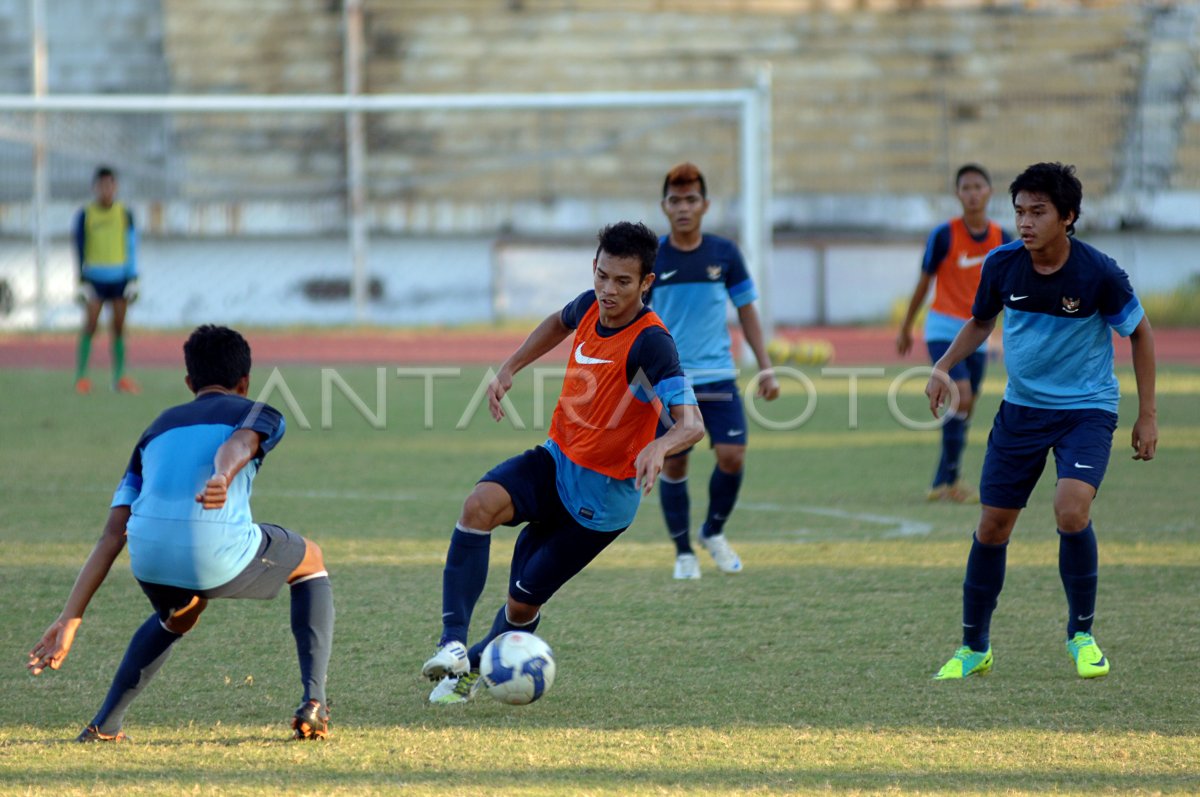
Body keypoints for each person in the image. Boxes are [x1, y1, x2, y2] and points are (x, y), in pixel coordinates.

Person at [420, 221, 704, 704]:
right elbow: (558, 321)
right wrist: (510, 367)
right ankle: (452, 645)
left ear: (646, 283)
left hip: (602, 502)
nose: (608, 290)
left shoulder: (651, 343)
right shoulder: (592, 304)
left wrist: (659, 446)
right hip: (557, 461)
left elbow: (691, 423)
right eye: (602, 275)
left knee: (522, 602)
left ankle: (468, 674)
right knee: (479, 505)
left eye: (622, 281)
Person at [28, 325, 335, 740]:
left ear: (189, 383)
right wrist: (222, 476)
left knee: (181, 613)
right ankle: (314, 702)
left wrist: (71, 617)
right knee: (311, 560)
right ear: (245, 382)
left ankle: (105, 725)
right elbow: (242, 443)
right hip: (212, 553)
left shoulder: (156, 427)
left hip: (148, 557)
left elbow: (111, 535)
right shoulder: (259, 412)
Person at [926, 162, 1157, 681]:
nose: (1025, 222)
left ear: (1067, 217)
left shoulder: (1098, 273)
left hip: (1086, 410)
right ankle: (974, 648)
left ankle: (1082, 636)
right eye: (1020, 212)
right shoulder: (1003, 265)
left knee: (1070, 509)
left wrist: (1147, 416)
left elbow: (1140, 333)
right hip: (1022, 411)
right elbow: (981, 321)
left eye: (1038, 212)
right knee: (992, 526)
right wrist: (942, 366)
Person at [648, 162, 780, 580]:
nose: (683, 208)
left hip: (719, 376)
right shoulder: (652, 257)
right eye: (675, 200)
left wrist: (765, 367)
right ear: (664, 206)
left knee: (732, 455)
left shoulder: (724, 253)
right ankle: (683, 552)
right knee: (675, 465)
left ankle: (713, 531)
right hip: (671, 379)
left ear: (705, 205)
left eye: (691, 200)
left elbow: (747, 311)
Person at [897, 164, 1011, 503]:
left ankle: (946, 479)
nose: (973, 193)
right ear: (958, 194)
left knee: (965, 405)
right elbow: (923, 283)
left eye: (979, 186)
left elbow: (1011, 288)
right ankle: (943, 481)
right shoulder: (944, 235)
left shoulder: (1002, 238)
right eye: (966, 187)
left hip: (978, 332)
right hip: (943, 329)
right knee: (960, 393)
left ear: (989, 192)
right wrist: (906, 325)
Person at [73, 166, 140, 394]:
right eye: (102, 185)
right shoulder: (86, 214)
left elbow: (132, 246)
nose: (106, 190)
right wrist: (80, 279)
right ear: (95, 187)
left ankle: (119, 377)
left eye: (110, 185)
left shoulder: (125, 213)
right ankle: (82, 377)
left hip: (120, 277)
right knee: (90, 325)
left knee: (119, 327)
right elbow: (79, 248)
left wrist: (133, 278)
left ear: (116, 187)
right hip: (94, 278)